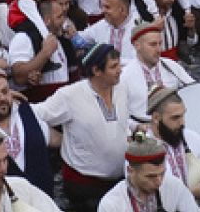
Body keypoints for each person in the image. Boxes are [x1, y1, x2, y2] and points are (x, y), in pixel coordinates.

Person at [32, 42, 134, 200]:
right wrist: (49, 135)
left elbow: (121, 121)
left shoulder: (122, 88)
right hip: (84, 187)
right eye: (114, 66)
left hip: (120, 182)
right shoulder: (69, 96)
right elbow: (35, 114)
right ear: (96, 71)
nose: (120, 70)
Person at [0, 64, 61, 193]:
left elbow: (54, 139)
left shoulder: (26, 112)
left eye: (5, 91)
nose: (2, 98)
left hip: (43, 203)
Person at [121, 19, 193, 116]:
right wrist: (137, 127)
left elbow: (194, 90)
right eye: (153, 44)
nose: (159, 49)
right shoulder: (125, 76)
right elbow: (119, 114)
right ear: (137, 45)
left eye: (160, 43)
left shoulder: (171, 66)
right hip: (143, 127)